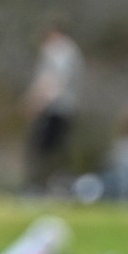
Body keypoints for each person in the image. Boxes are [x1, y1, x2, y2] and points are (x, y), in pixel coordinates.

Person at [23, 26, 83, 193]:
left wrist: (36, 102)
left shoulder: (59, 51)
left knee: (45, 148)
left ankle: (44, 185)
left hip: (55, 109)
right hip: (65, 108)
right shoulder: (71, 51)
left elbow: (52, 81)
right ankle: (57, 184)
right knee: (58, 148)